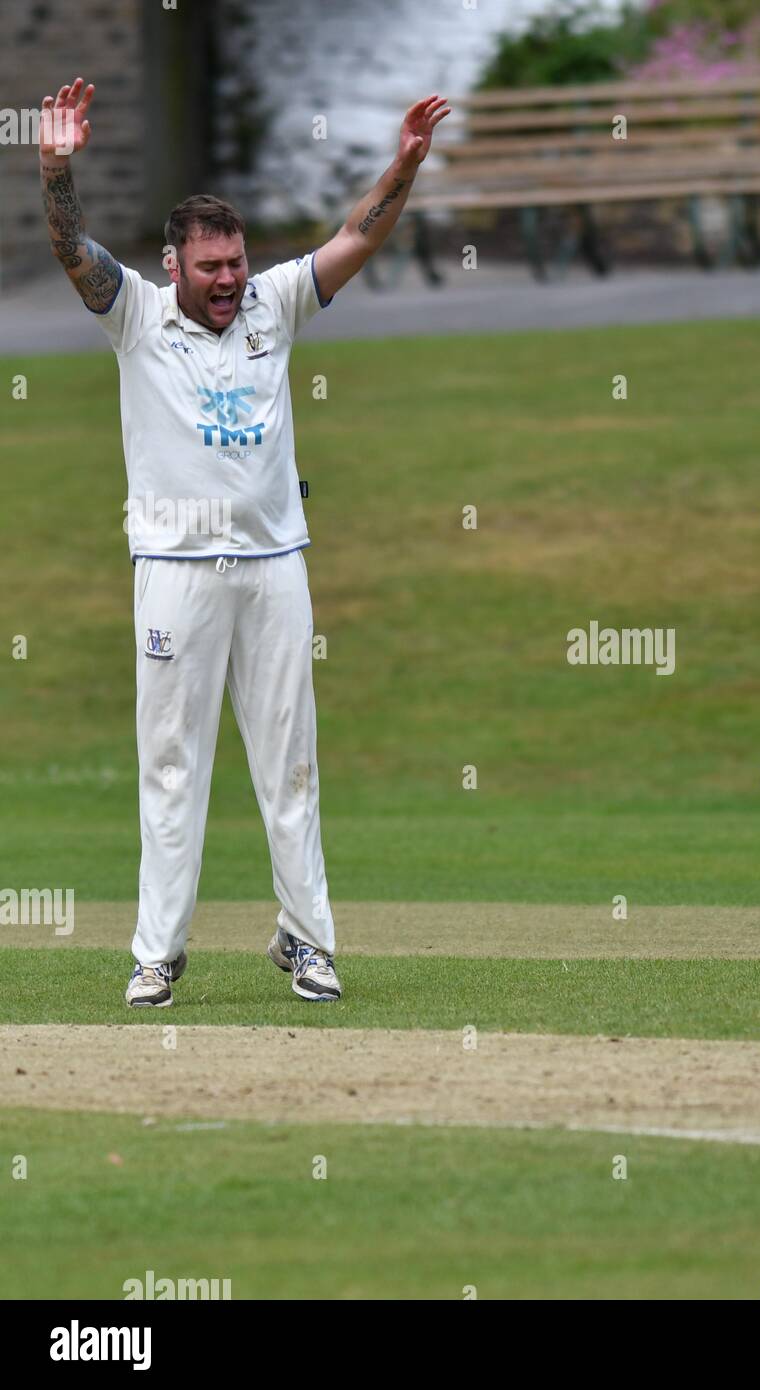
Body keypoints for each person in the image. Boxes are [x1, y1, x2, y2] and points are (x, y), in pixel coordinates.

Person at [37, 77, 450, 1007]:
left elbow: (357, 237)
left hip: (274, 567)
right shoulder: (135, 316)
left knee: (290, 765)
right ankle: (157, 953)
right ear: (175, 266)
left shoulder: (274, 305)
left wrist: (405, 164)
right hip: (175, 576)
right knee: (173, 768)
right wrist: (56, 165)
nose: (228, 281)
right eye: (210, 266)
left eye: (236, 263)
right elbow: (69, 248)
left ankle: (307, 942)